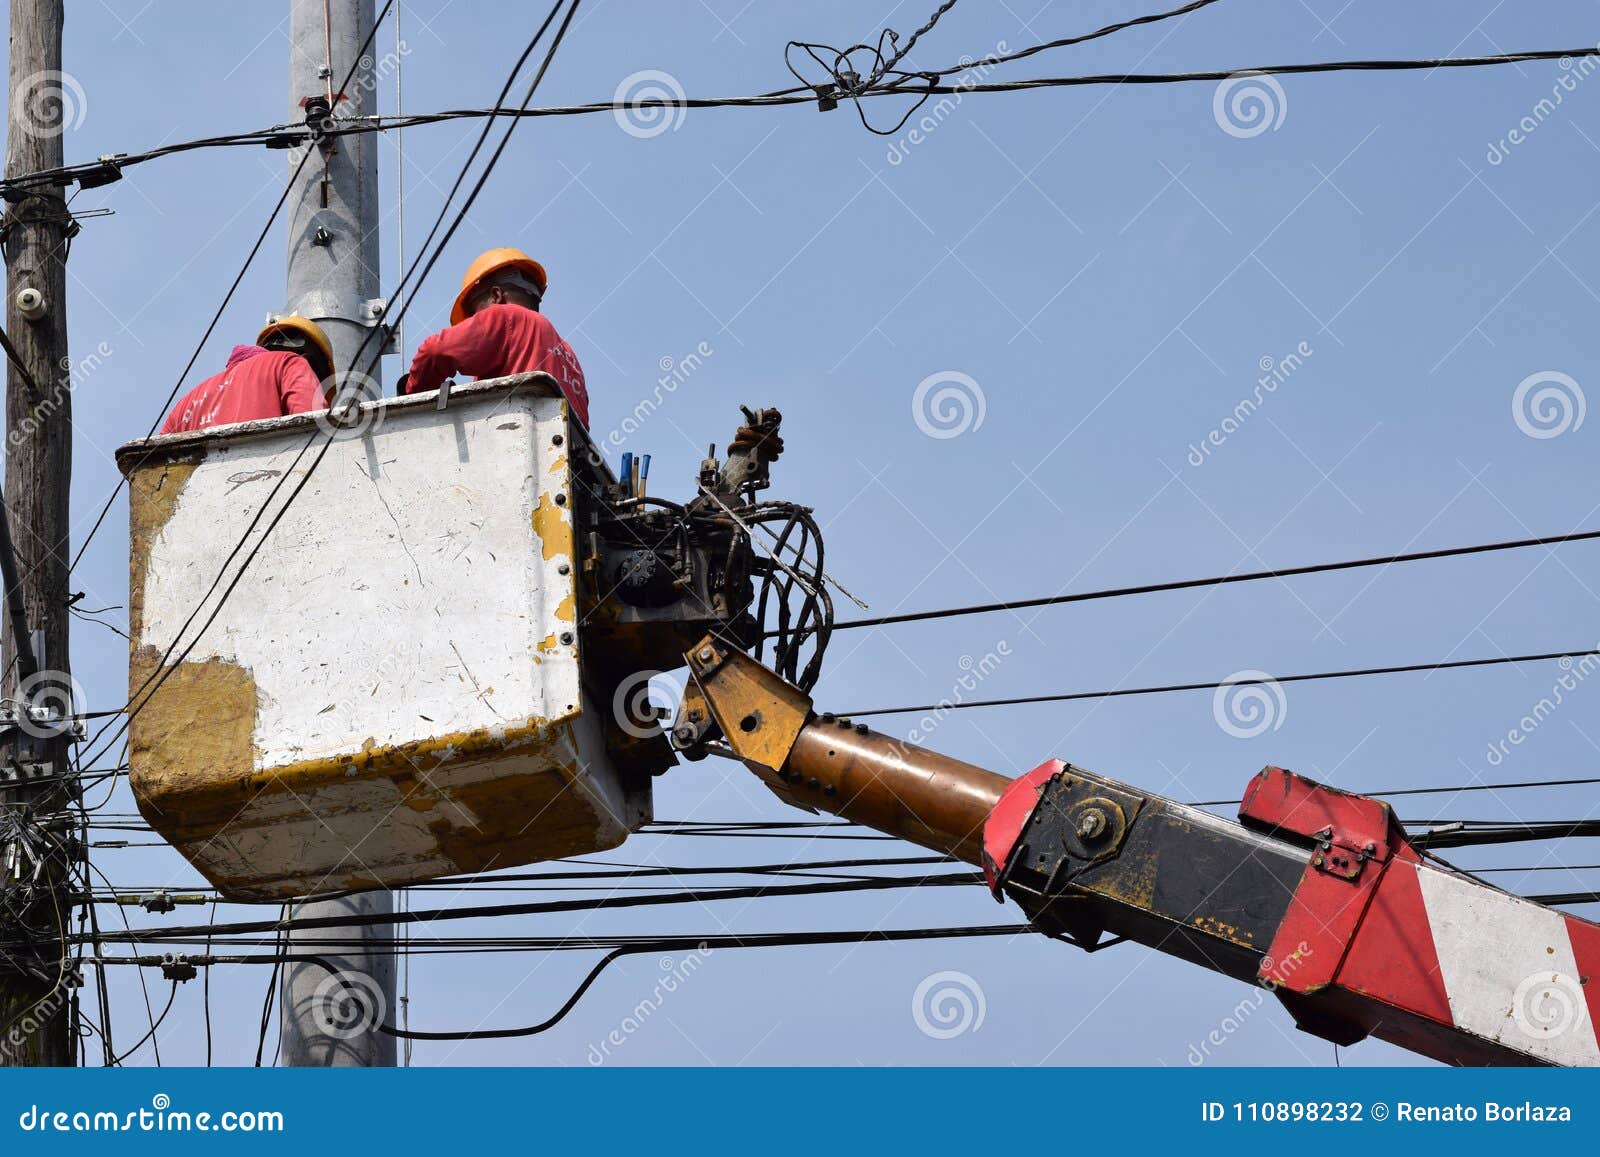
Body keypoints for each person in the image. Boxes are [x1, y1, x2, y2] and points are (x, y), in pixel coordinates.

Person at [400, 247, 589, 427]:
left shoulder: (506, 317)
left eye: (474, 314)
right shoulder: (569, 355)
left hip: (514, 443)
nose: (474, 322)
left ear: (495, 296)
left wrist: (413, 400)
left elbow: (435, 351)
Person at [160, 317, 333, 434]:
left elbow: (153, 466)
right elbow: (313, 427)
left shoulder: (184, 404)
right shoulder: (291, 363)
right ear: (310, 360)